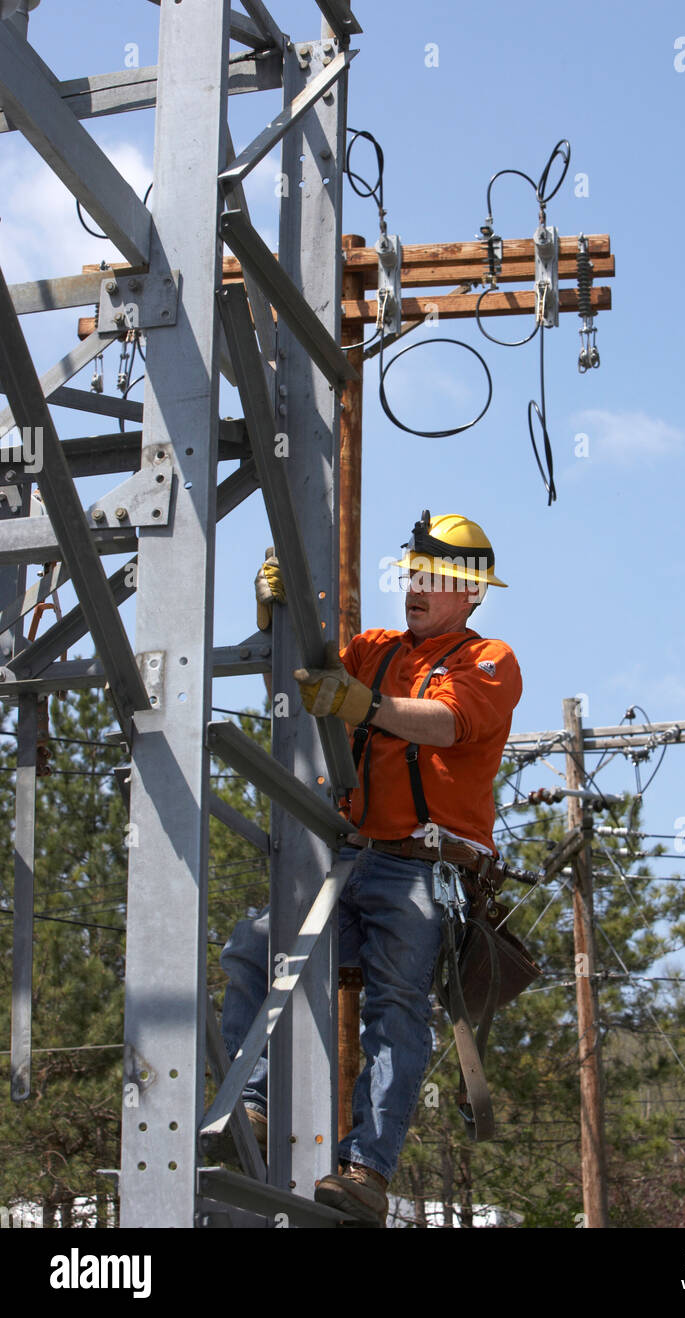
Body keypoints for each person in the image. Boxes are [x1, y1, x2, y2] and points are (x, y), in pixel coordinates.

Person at [219, 510, 522, 1226]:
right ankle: (254, 1109)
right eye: (415, 572)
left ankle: (365, 1172)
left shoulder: (490, 661)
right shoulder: (377, 648)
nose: (420, 587)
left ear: (473, 594)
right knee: (253, 949)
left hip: (423, 870)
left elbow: (444, 724)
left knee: (396, 1014)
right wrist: (275, 615)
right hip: (351, 860)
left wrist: (365, 704)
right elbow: (305, 671)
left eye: (440, 578)